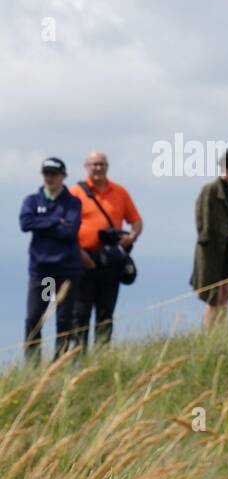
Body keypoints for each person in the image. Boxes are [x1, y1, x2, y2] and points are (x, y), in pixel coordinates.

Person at [70, 150, 142, 349]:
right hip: (83, 258)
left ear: (107, 167)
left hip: (111, 258)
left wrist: (131, 236)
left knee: (105, 312)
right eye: (94, 164)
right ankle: (78, 356)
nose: (98, 168)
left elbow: (136, 220)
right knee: (80, 312)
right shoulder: (75, 192)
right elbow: (65, 226)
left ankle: (102, 356)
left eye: (101, 164)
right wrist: (78, 252)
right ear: (86, 167)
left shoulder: (119, 192)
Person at [20, 157, 83, 363]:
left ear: (63, 176)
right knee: (35, 318)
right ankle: (33, 363)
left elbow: (69, 231)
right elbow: (26, 223)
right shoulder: (32, 200)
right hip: (43, 273)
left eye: (54, 174)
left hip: (66, 271)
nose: (50, 178)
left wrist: (43, 224)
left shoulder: (73, 202)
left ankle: (60, 363)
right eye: (46, 173)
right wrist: (56, 219)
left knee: (64, 319)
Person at [190, 148, 228, 328]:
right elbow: (204, 222)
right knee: (214, 295)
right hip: (215, 252)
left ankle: (220, 330)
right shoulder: (210, 190)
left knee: (226, 292)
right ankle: (210, 332)